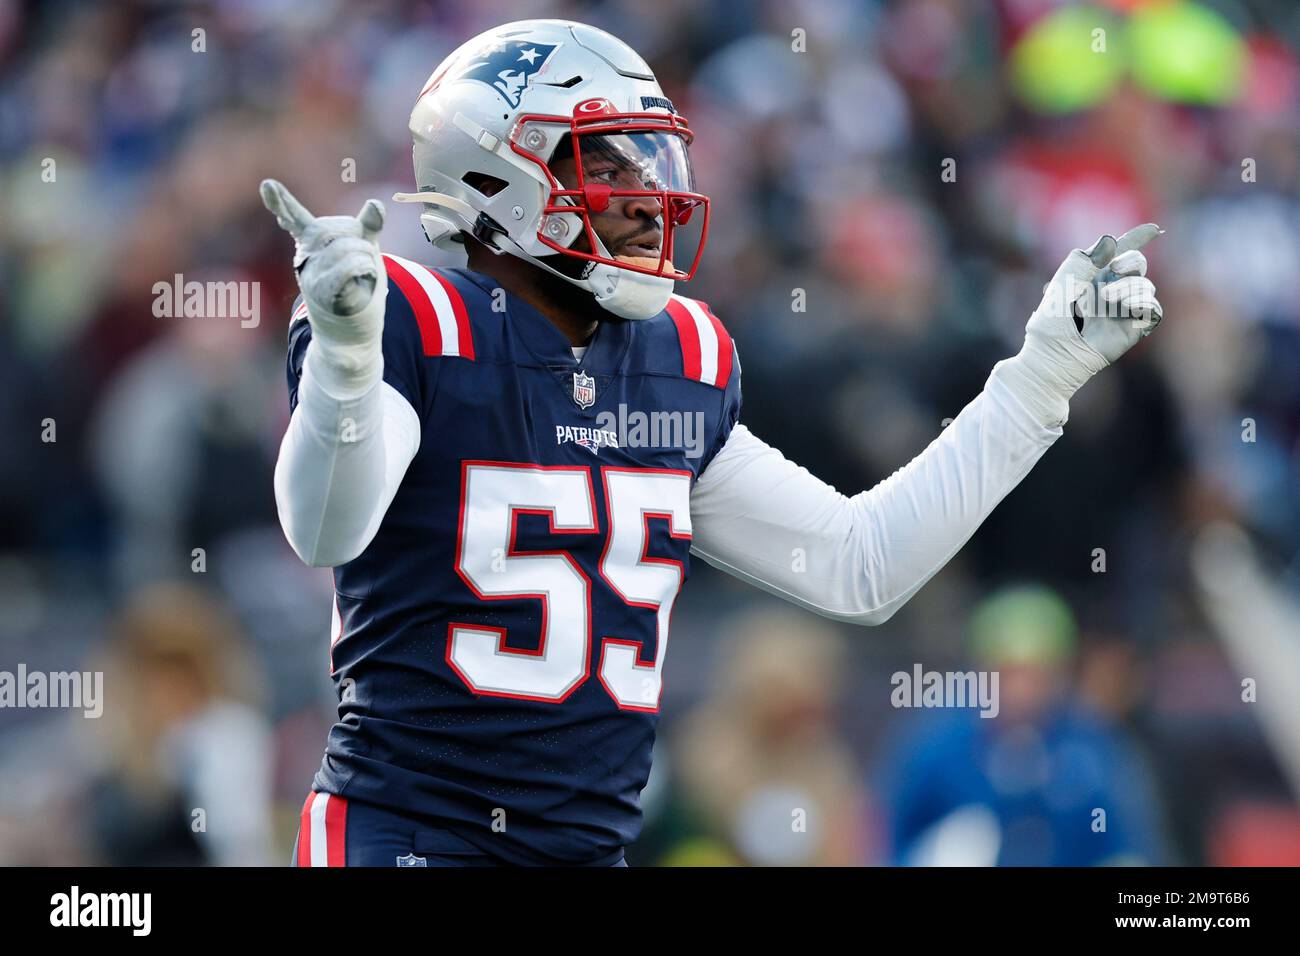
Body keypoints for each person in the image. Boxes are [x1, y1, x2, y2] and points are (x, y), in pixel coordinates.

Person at [264, 18, 1163, 866]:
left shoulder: (677, 358)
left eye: (654, 161)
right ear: (501, 180)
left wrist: (1043, 373)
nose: (653, 198)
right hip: (407, 837)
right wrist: (346, 364)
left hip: (585, 850)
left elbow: (861, 564)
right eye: (611, 165)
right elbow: (325, 532)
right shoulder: (416, 320)